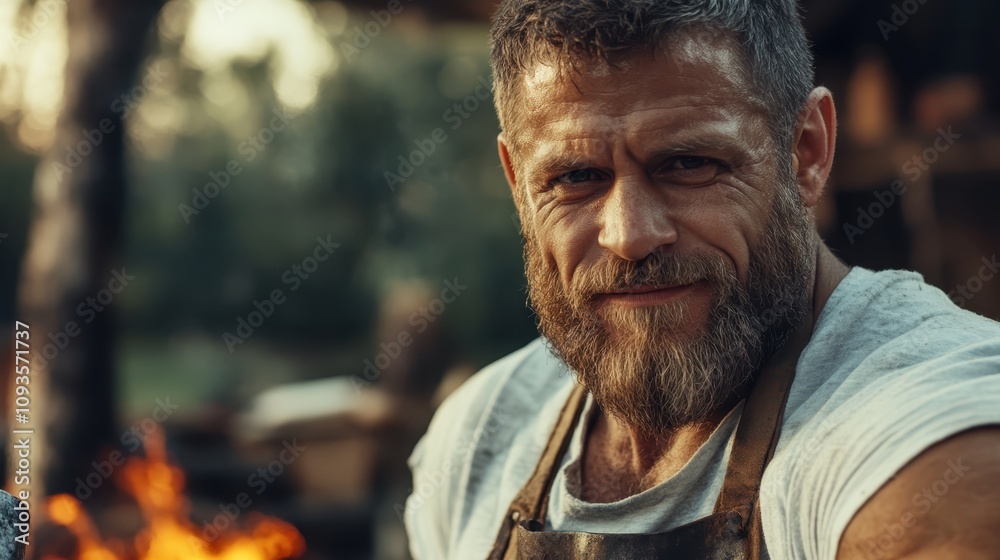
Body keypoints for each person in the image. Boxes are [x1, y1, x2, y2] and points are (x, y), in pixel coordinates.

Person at [403, 1, 1000, 558]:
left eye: (689, 164)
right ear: (517, 185)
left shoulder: (925, 428)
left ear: (807, 152)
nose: (629, 235)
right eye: (576, 177)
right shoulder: (477, 437)